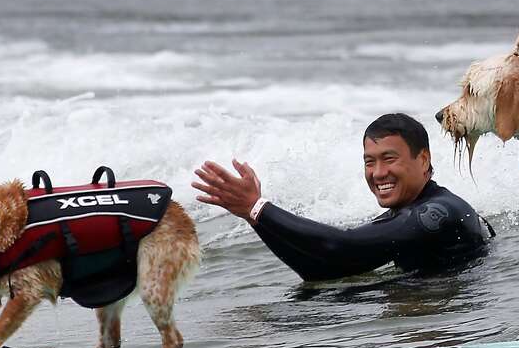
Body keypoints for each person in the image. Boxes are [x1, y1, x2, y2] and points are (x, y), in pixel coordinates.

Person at [192, 113, 492, 281]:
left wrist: (259, 207)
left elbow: (341, 246)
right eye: (369, 161)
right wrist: (253, 217)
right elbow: (322, 268)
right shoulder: (401, 216)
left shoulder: (436, 214)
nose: (378, 173)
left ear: (423, 160)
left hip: (455, 330)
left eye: (389, 159)